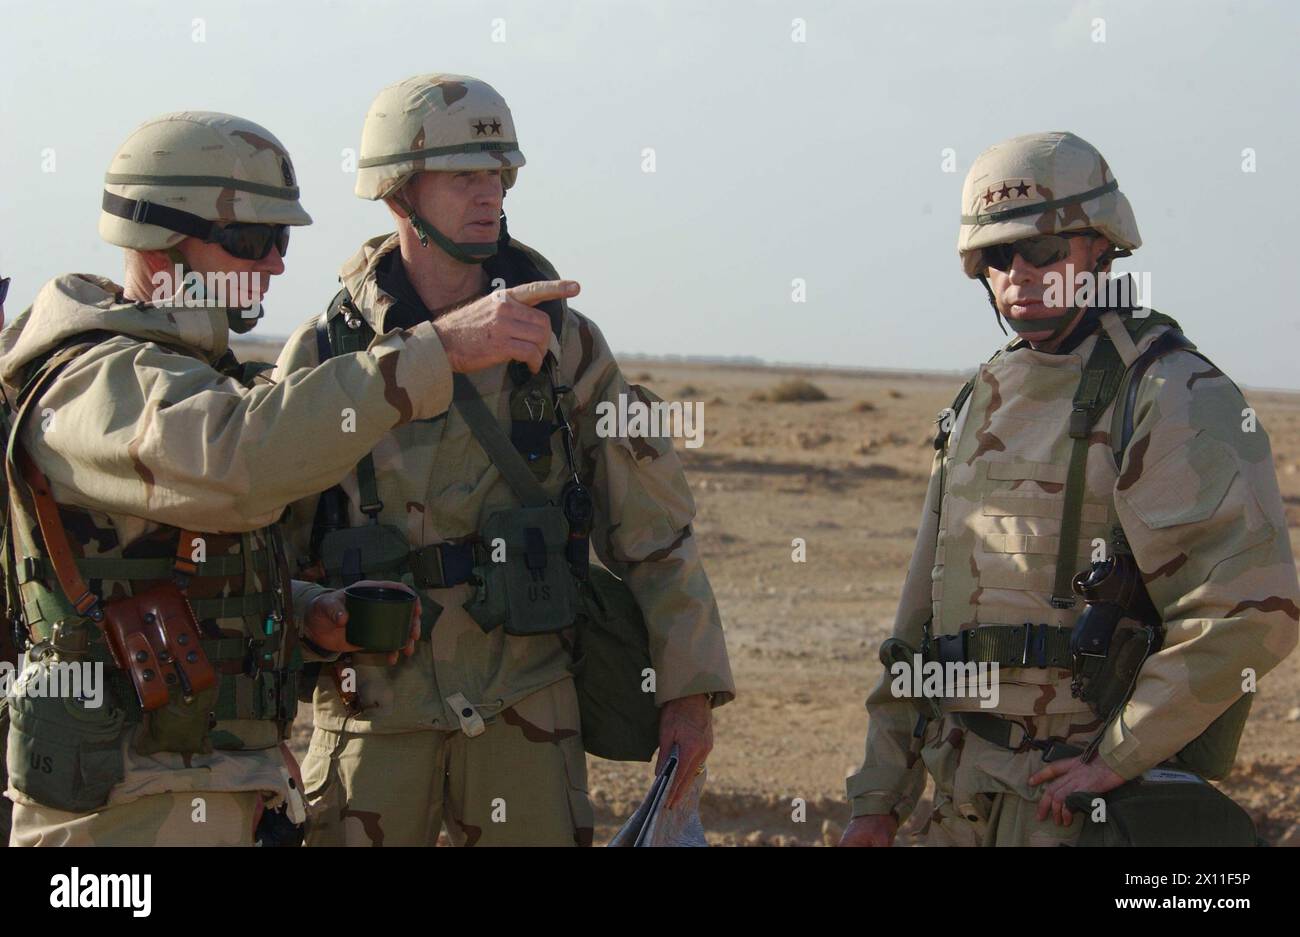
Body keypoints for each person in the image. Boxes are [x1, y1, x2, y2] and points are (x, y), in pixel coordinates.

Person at [0, 109, 537, 845]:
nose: (275, 264)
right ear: (158, 246)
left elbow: (171, 570)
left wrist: (309, 613)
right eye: (250, 240)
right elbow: (236, 464)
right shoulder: (95, 378)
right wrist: (433, 350)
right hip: (118, 813)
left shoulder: (190, 376)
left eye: (279, 241)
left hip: (207, 785)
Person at [275, 74, 735, 846]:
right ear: (398, 195)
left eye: (499, 174)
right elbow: (268, 548)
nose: (490, 194)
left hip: (527, 711)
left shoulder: (563, 342)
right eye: (464, 176)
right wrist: (259, 730)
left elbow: (656, 530)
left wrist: (689, 694)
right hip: (370, 716)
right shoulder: (328, 353)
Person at [839, 131, 1299, 846]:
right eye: (998, 254)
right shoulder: (978, 397)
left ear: (1098, 247)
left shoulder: (1168, 391)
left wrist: (1117, 757)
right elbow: (918, 625)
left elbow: (1250, 608)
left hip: (1074, 805)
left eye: (1044, 250)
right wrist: (877, 794)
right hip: (960, 798)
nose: (1019, 270)